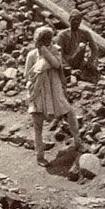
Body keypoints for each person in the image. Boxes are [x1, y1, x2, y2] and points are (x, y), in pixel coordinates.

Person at [25, 25, 81, 164]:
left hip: (55, 90)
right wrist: (38, 73)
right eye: (44, 39)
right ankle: (40, 156)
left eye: (49, 38)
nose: (47, 41)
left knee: (69, 112)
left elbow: (56, 64)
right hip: (39, 91)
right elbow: (27, 74)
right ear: (38, 40)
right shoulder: (32, 55)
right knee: (38, 125)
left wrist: (44, 53)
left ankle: (78, 141)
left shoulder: (56, 50)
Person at [55, 9, 98, 78]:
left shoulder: (85, 33)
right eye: (73, 19)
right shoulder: (62, 35)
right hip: (66, 63)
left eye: (78, 20)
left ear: (80, 21)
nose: (76, 22)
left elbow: (94, 49)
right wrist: (68, 68)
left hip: (79, 62)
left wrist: (90, 60)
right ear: (69, 20)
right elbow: (59, 54)